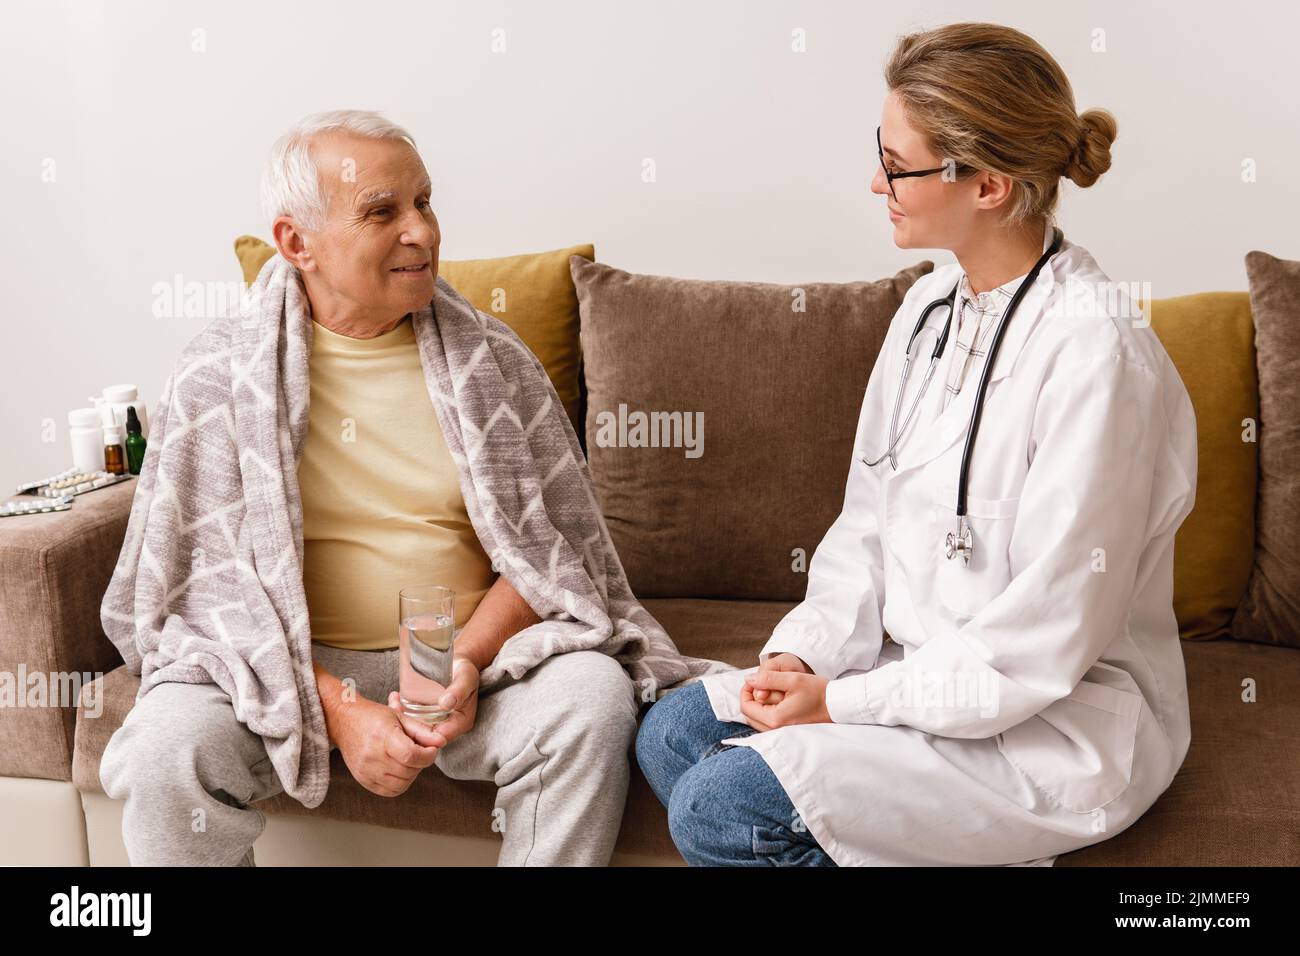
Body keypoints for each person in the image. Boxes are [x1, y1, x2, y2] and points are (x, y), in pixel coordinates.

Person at [637, 22, 1197, 867]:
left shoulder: (1097, 355)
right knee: (670, 732)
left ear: (989, 185)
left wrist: (839, 705)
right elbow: (867, 523)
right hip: (910, 673)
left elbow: (1042, 642)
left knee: (719, 807)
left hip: (1046, 719)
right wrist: (801, 656)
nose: (877, 182)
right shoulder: (927, 310)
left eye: (898, 166)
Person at [100, 111, 641, 866]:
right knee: (165, 748)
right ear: (297, 244)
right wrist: (340, 708)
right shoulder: (217, 377)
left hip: (465, 655)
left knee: (592, 697)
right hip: (277, 666)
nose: (422, 231)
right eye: (383, 211)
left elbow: (552, 559)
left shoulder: (495, 362)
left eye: (425, 203)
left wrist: (460, 663)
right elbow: (202, 598)